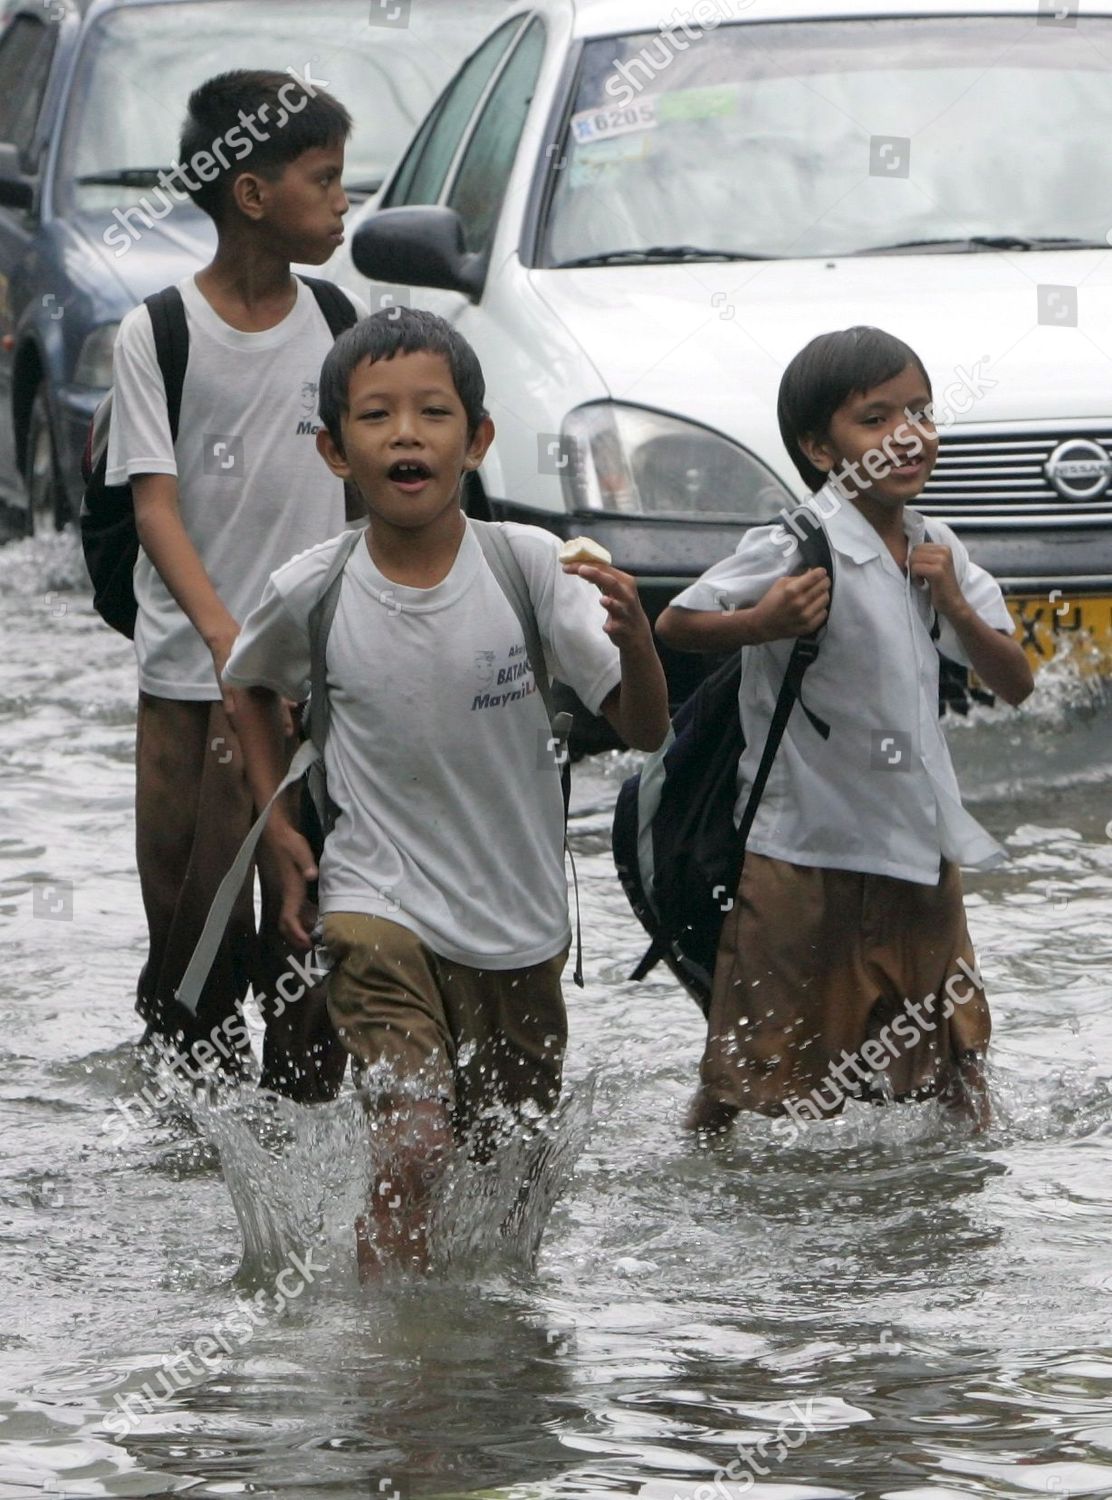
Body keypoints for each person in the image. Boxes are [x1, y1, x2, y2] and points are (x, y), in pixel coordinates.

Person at [224, 307, 670, 1272]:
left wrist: (640, 645)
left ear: (478, 440)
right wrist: (280, 833)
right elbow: (248, 686)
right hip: (372, 896)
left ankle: (482, 1359)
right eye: (376, 416)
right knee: (415, 1137)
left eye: (433, 412)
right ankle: (398, 1374)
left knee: (504, 1171)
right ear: (335, 451)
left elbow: (644, 730)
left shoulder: (530, 569)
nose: (406, 434)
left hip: (516, 913)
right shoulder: (316, 587)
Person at [656, 326, 1034, 1135]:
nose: (909, 435)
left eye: (922, 413)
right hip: (802, 854)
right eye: (876, 418)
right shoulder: (797, 544)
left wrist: (960, 611)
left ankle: (968, 1195)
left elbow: (1017, 682)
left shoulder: (939, 549)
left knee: (958, 1061)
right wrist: (763, 620)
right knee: (751, 1067)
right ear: (818, 448)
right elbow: (678, 622)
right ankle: (707, 1189)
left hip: (919, 853)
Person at [105, 70, 365, 1101]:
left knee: (312, 940)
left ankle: (302, 1148)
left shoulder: (342, 319)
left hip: (312, 687)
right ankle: (191, 1185)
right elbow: (155, 504)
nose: (345, 201)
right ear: (252, 194)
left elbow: (370, 492)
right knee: (193, 945)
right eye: (326, 179)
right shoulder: (158, 333)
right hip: (190, 683)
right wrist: (222, 639)